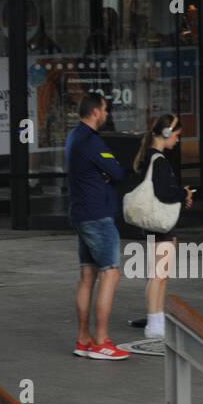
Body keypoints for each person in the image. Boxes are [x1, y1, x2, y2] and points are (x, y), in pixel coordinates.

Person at [67, 93, 130, 360]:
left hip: (81, 213)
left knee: (87, 276)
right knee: (110, 273)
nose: (107, 115)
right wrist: (106, 173)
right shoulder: (92, 141)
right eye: (105, 110)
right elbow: (117, 171)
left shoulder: (73, 137)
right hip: (98, 215)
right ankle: (102, 341)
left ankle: (83, 339)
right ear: (95, 112)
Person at [130, 114, 194, 339]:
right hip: (161, 224)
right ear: (166, 133)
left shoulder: (148, 157)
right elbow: (164, 192)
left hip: (152, 224)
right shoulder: (158, 160)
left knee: (157, 274)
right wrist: (183, 192)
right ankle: (154, 321)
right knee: (159, 275)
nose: (177, 140)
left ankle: (155, 318)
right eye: (176, 135)